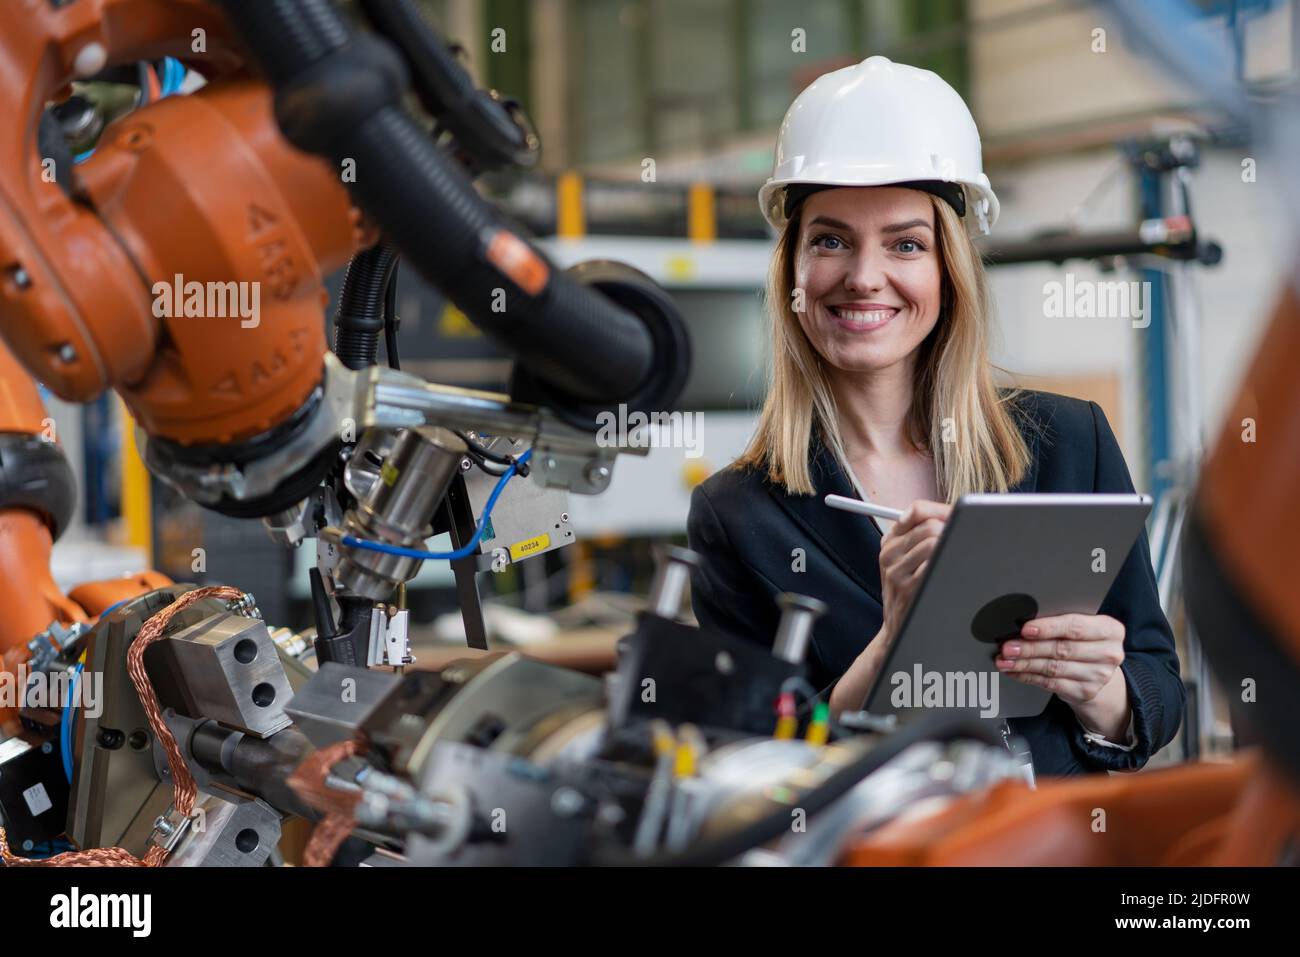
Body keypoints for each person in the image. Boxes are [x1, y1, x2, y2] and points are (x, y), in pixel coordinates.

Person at [686, 56, 1184, 776]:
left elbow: (1159, 693)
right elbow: (749, 766)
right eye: (829, 239)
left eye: (905, 243)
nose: (863, 276)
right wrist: (892, 645)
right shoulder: (738, 515)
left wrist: (1100, 688)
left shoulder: (1071, 445)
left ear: (947, 271)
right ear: (791, 270)